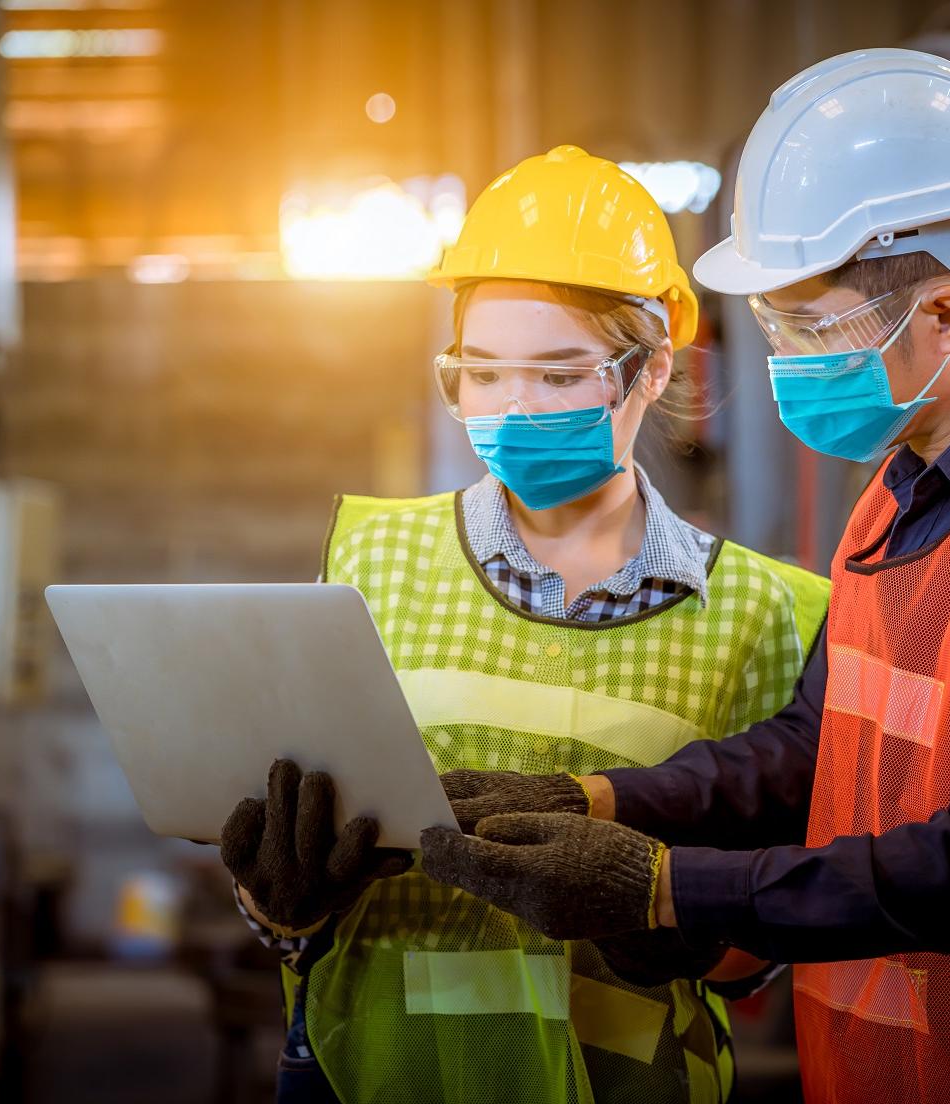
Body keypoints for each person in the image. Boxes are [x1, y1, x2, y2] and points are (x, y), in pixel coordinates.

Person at [419, 51, 950, 1103]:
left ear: (946, 318)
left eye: (806, 327)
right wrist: (593, 800)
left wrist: (666, 888)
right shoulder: (901, 488)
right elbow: (816, 746)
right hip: (896, 1059)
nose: (783, 360)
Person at [218, 144, 830, 1104]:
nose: (512, 406)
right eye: (482, 373)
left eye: (556, 374)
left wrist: (650, 915)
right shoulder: (371, 560)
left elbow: (760, 945)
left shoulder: (768, 615)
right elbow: (300, 856)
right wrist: (279, 902)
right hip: (369, 1073)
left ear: (652, 368)